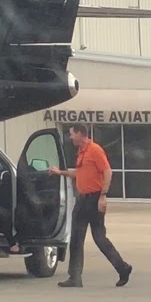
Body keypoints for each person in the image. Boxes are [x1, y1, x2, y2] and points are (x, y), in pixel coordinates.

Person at [47, 123, 133, 288]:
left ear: (80, 133)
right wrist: (61, 173)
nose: (70, 137)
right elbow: (79, 174)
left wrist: (103, 196)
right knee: (76, 239)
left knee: (99, 238)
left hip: (94, 199)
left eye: (72, 134)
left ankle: (122, 268)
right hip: (83, 199)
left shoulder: (95, 150)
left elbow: (108, 171)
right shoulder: (82, 151)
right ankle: (75, 277)